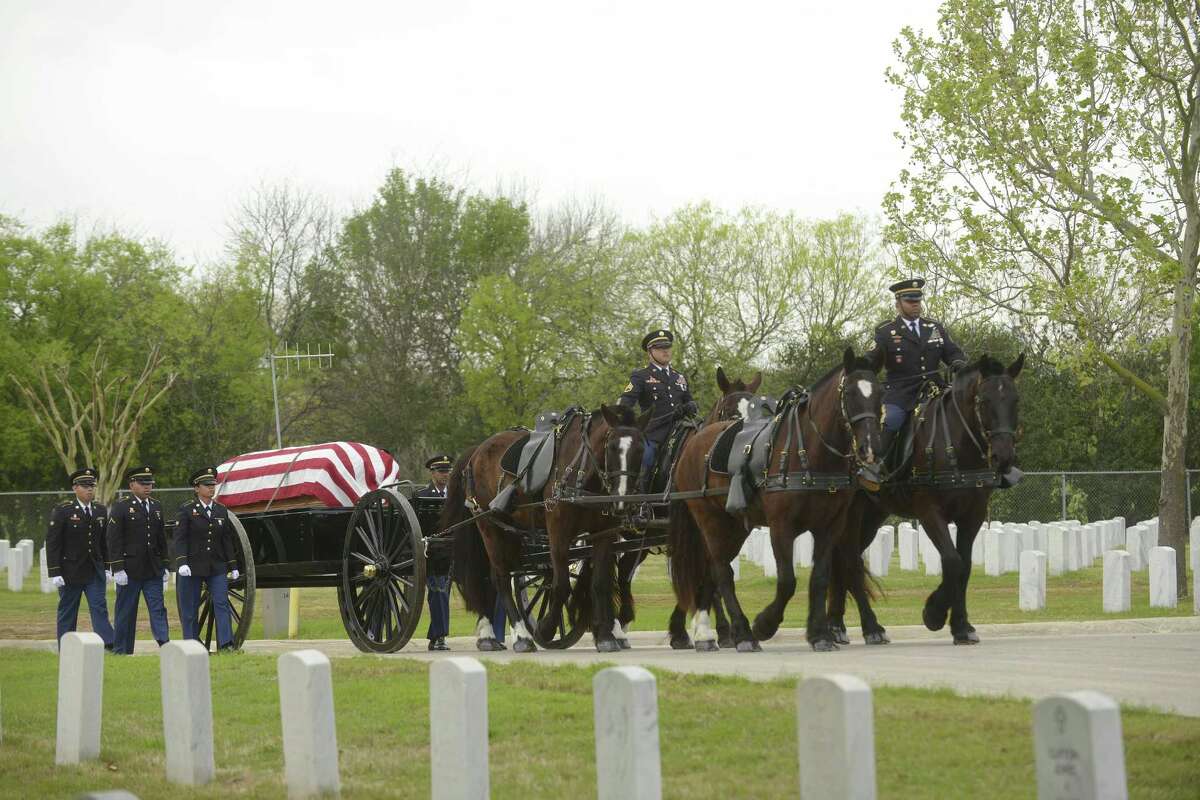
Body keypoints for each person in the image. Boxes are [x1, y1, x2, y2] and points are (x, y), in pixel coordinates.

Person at [866, 278, 967, 454]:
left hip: (935, 390)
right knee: (893, 419)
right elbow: (870, 364)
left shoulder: (934, 327)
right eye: (910, 301)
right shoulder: (886, 332)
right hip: (900, 393)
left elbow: (952, 351)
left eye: (918, 301)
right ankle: (876, 466)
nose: (916, 305)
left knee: (967, 411)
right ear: (898, 304)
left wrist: (957, 362)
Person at [618, 329, 698, 491]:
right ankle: (640, 503)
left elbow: (687, 399)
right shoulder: (641, 376)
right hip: (654, 432)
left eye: (667, 347)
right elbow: (625, 404)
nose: (665, 350)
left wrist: (691, 405)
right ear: (650, 352)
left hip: (681, 429)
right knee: (645, 459)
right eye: (660, 347)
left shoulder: (679, 377)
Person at [46, 467, 115, 649]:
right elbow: (53, 543)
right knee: (68, 610)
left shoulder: (100, 510)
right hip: (70, 571)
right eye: (85, 486)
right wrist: (55, 572)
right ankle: (66, 644)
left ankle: (108, 643)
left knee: (99, 607)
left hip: (94, 570)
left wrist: (107, 567)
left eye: (92, 485)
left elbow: (103, 542)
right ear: (75, 488)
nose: (89, 489)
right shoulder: (63, 510)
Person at [174, 466, 240, 652]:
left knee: (221, 603)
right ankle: (192, 645)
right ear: (197, 488)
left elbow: (226, 539)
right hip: (193, 566)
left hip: (216, 566)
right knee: (190, 608)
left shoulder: (220, 510)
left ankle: (226, 644)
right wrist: (181, 562)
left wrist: (232, 565)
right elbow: (180, 538)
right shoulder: (187, 510)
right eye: (207, 485)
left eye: (213, 484)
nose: (212, 488)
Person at [106, 465, 170, 654]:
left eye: (149, 483)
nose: (147, 487)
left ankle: (165, 644)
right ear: (132, 484)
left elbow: (161, 538)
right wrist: (117, 568)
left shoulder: (156, 506)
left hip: (152, 569)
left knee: (158, 609)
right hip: (130, 570)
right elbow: (113, 539)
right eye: (143, 483)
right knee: (125, 611)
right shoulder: (122, 507)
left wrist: (165, 564)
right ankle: (121, 649)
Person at [416, 454, 453, 651]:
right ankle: (439, 637)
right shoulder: (422, 495)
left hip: (453, 550)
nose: (445, 475)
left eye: (447, 471)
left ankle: (436, 635)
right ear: (432, 473)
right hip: (431, 552)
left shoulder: (456, 496)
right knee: (439, 591)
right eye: (441, 472)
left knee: (441, 592)